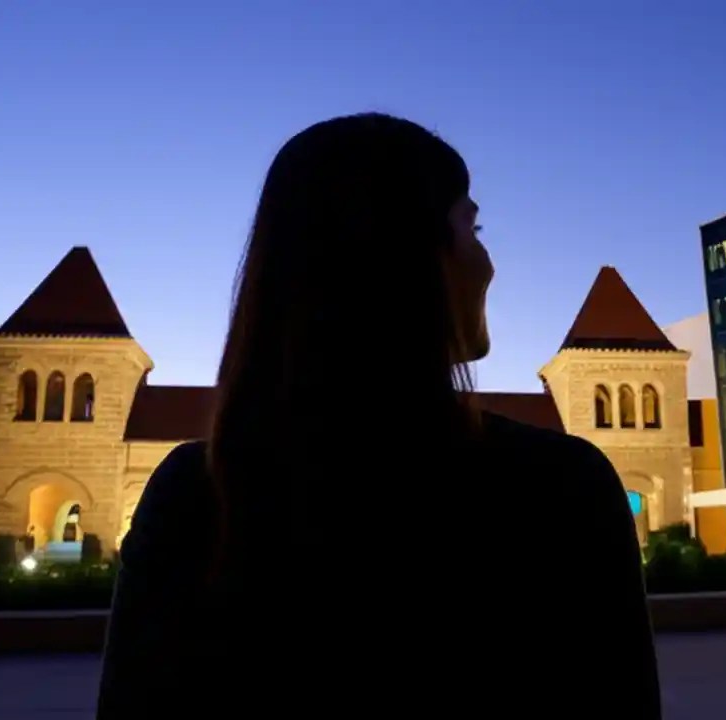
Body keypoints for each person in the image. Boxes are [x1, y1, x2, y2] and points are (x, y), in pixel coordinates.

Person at [97, 114, 661, 718]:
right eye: (471, 228)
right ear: (406, 255)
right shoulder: (559, 488)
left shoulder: (192, 495)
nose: (488, 263)